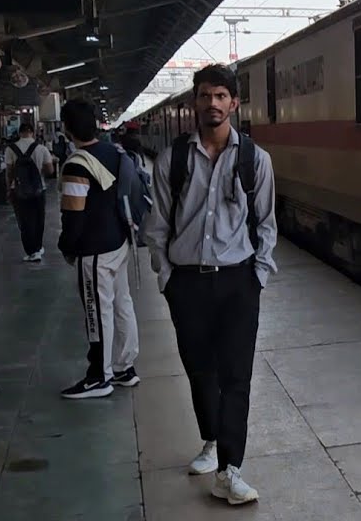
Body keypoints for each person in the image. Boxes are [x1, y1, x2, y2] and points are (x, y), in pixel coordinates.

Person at [143, 64, 277, 505]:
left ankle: (230, 469)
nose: (213, 103)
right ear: (194, 103)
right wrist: (166, 277)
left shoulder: (255, 160)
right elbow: (157, 226)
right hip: (187, 284)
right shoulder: (172, 160)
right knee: (201, 370)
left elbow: (266, 224)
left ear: (234, 103)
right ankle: (210, 441)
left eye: (221, 95)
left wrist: (258, 274)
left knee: (237, 376)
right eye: (205, 95)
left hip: (238, 282)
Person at [57, 100, 139, 399]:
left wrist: (67, 245)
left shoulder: (78, 163)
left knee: (97, 309)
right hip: (119, 240)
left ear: (66, 128)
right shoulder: (114, 152)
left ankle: (98, 377)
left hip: (93, 248)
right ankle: (124, 367)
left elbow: (73, 214)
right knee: (122, 304)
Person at [4, 125, 55, 262]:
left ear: (19, 133)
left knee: (24, 221)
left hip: (18, 190)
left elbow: (9, 172)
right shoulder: (41, 148)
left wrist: (9, 189)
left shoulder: (10, 149)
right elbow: (50, 170)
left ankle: (30, 251)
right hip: (39, 189)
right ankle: (37, 248)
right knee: (39, 219)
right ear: (32, 132)